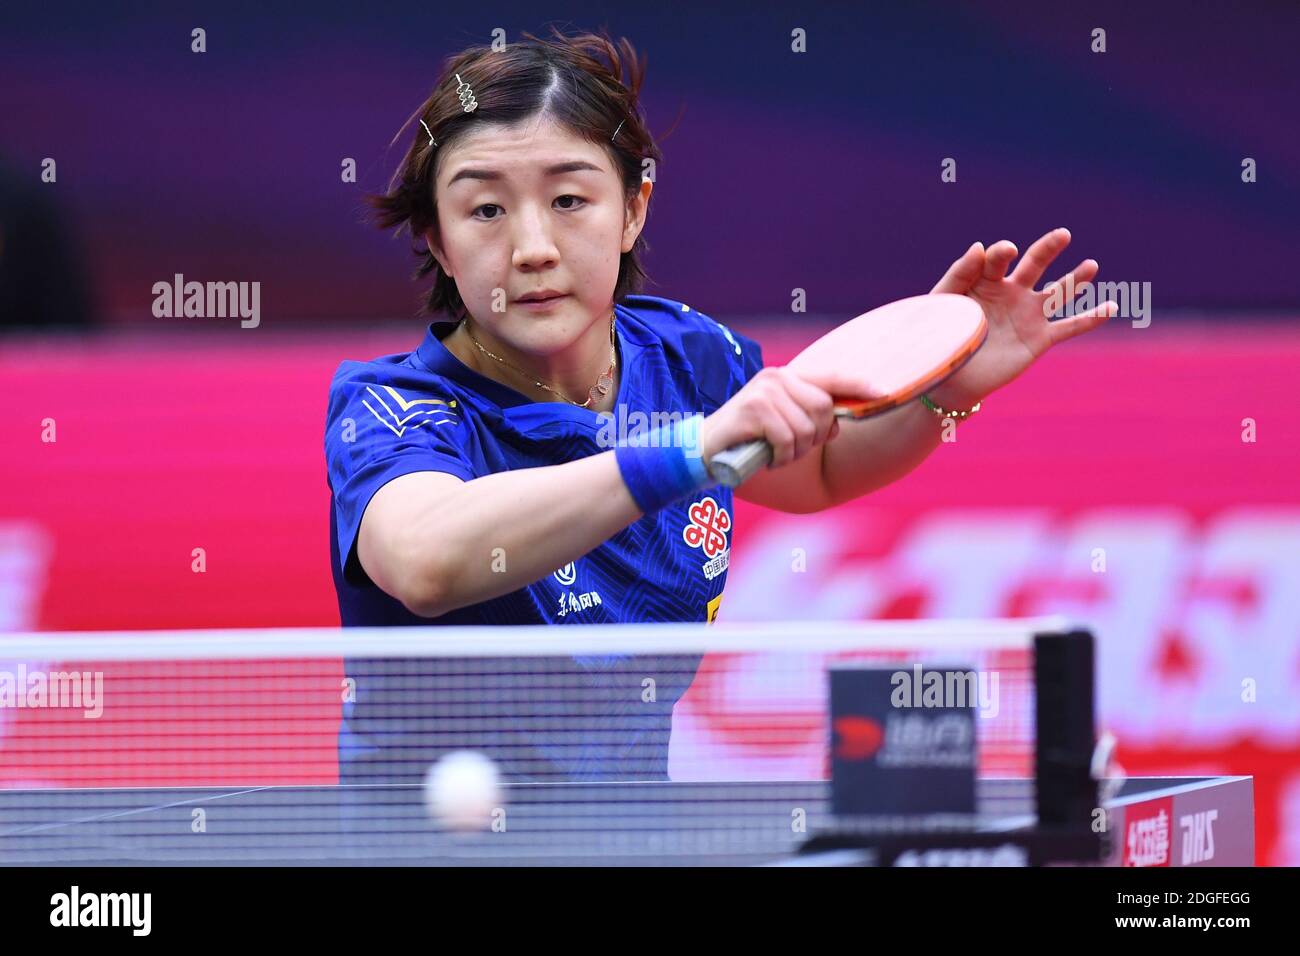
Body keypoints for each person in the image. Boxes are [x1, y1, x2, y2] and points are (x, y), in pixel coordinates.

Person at [324, 28, 1115, 785]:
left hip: (632, 845)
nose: (533, 246)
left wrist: (944, 394)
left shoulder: (683, 357)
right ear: (435, 236)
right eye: (486, 210)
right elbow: (427, 560)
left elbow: (826, 469)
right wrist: (688, 450)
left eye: (569, 199)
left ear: (633, 208)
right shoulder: (396, 407)